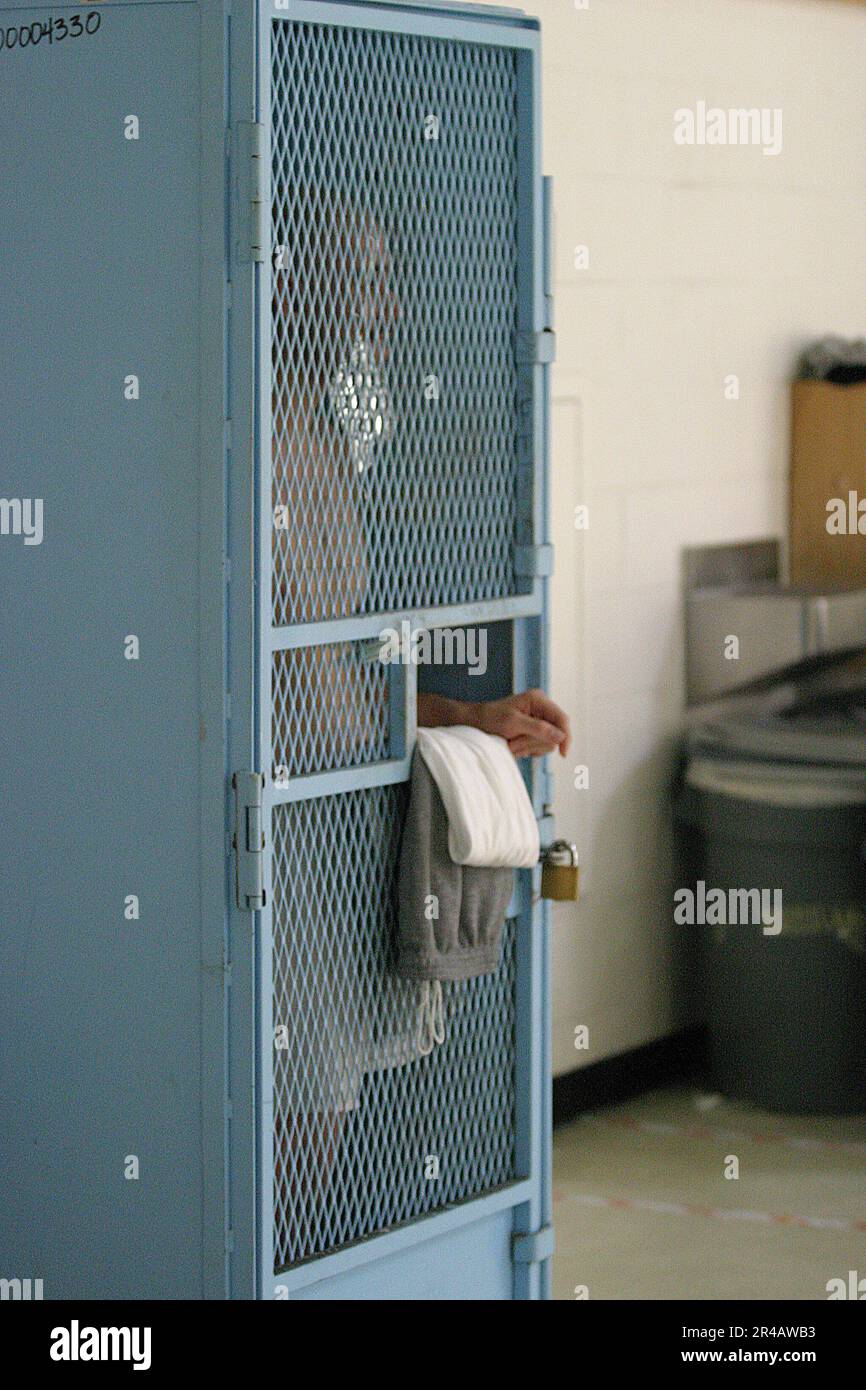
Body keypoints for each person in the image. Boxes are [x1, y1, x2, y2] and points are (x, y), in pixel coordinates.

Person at [270, 188, 569, 1263]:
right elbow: (272, 682)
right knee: (298, 1113)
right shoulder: (245, 440)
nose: (386, 311)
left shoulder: (325, 438)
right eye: (366, 280)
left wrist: (472, 718)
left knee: (330, 1103)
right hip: (281, 830)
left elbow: (340, 674)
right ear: (292, 277)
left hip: (345, 812)